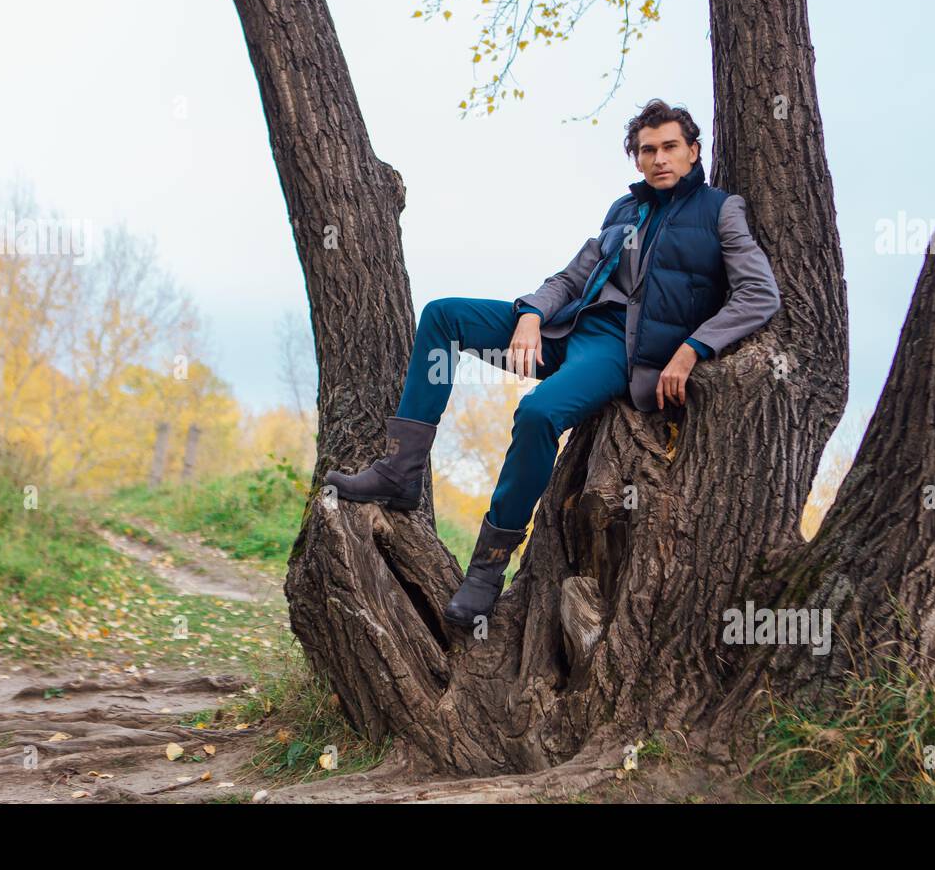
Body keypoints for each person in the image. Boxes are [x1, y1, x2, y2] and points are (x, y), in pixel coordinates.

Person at [324, 98, 782, 628]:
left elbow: (758, 294)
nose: (659, 159)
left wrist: (692, 349)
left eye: (670, 148)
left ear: (693, 151)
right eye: (647, 150)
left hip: (619, 352)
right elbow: (571, 277)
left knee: (540, 413)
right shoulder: (623, 211)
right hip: (564, 330)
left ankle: (488, 568)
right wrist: (531, 314)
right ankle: (400, 472)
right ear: (636, 158)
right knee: (443, 316)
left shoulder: (719, 211)